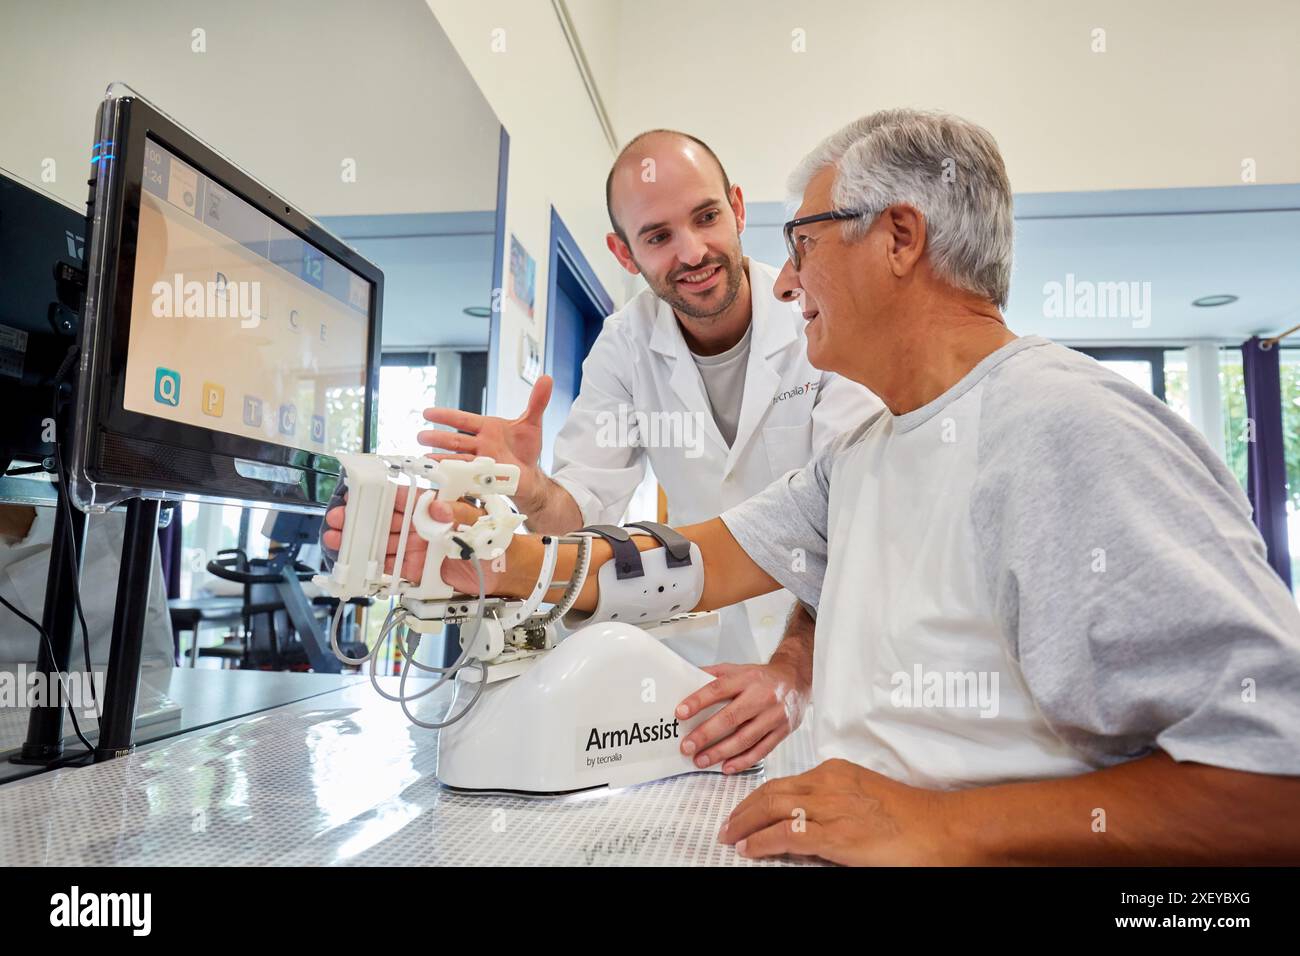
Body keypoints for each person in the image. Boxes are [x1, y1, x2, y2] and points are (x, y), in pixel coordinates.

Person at [326, 109, 1300, 865]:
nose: (784, 286)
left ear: (899, 237)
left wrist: (946, 823)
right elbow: (694, 561)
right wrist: (493, 559)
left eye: (804, 244)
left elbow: (1275, 782)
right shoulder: (870, 445)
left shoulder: (1065, 429)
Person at [419, 129, 880, 671]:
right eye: (658, 237)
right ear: (625, 253)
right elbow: (576, 520)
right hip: (700, 640)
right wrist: (535, 489)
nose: (692, 252)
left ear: (736, 208)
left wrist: (794, 667)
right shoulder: (624, 345)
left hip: (823, 638)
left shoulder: (819, 315)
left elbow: (852, 510)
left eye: (706, 217)